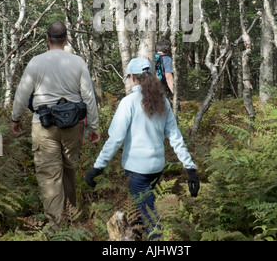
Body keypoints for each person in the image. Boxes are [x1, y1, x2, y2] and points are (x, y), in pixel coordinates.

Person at [85, 58, 199, 240]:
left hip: (137, 172)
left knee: (150, 218)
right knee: (141, 209)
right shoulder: (162, 102)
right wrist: (190, 167)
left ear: (132, 77)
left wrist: (97, 167)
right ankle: (134, 237)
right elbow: (175, 137)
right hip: (156, 169)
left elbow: (115, 139)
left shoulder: (128, 102)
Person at [11, 21, 100, 231]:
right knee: (69, 169)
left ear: (47, 39)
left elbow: (22, 93)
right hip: (74, 125)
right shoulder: (78, 62)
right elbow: (88, 96)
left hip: (44, 126)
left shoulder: (35, 62)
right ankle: (72, 218)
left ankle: (55, 226)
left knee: (49, 174)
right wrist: (93, 126)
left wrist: (15, 119)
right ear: (66, 38)